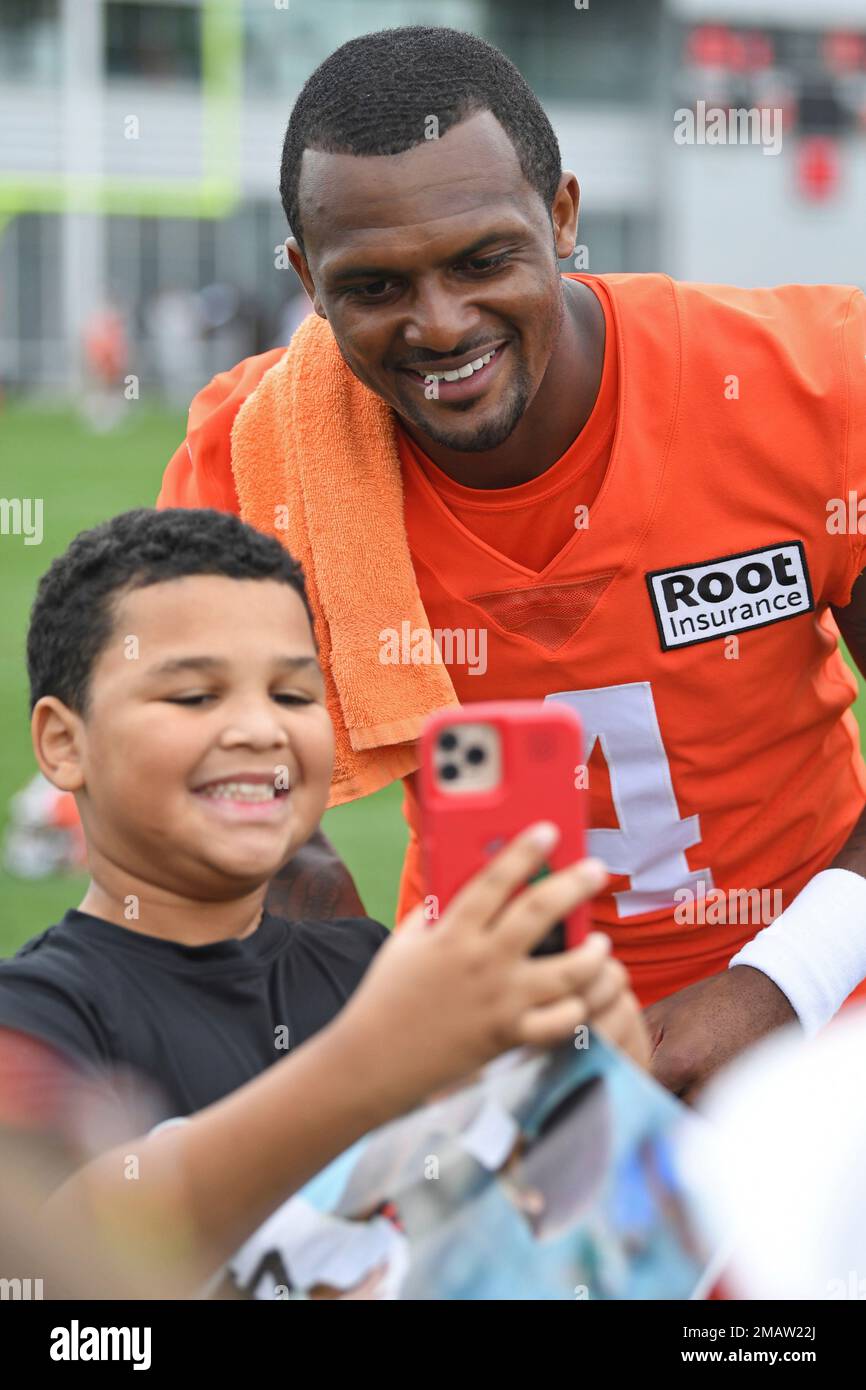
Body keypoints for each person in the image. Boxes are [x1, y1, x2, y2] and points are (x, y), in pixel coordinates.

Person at [157, 25, 866, 1102]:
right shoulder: (252, 457)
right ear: (305, 277)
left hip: (823, 1012)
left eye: (483, 259)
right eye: (374, 286)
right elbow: (212, 809)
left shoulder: (806, 382)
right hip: (476, 1054)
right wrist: (364, 1011)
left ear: (562, 215)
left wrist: (776, 982)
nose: (439, 325)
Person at [0, 507, 647, 1297]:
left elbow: (528, 1220)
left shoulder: (371, 963)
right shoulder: (37, 1015)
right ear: (65, 743)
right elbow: (58, 1267)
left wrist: (598, 1071)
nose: (258, 727)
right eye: (196, 695)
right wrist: (374, 1062)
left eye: (294, 694)